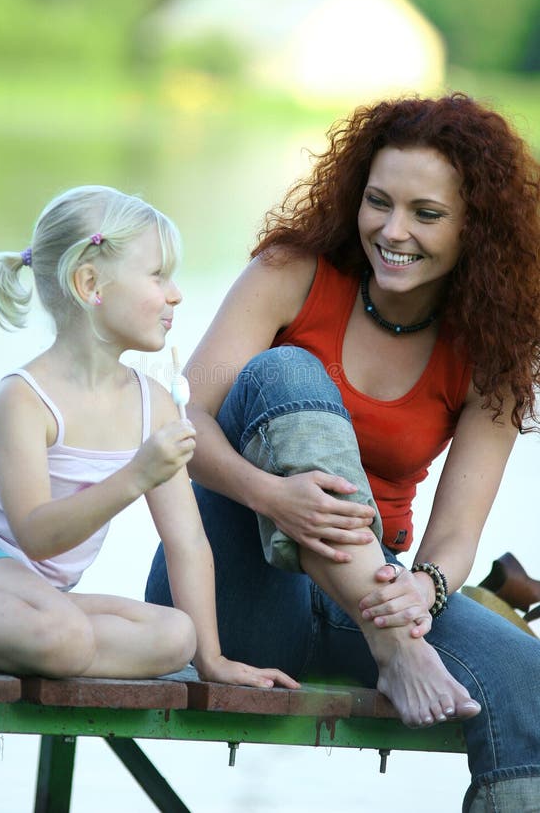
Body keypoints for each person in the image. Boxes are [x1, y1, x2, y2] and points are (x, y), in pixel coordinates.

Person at [146, 94, 540, 810]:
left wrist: (424, 590)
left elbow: (453, 535)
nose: (393, 231)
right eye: (378, 203)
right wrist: (268, 494)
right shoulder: (293, 273)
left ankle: (391, 635)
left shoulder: (493, 346)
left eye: (426, 214)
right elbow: (177, 424)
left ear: (474, 228)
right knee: (285, 372)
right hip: (234, 602)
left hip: (379, 599)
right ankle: (393, 648)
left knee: (528, 678)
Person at [0, 185, 297, 690]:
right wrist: (136, 475)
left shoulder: (153, 405)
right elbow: (37, 537)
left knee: (176, 636)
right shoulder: (24, 400)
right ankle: (32, 639)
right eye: (158, 276)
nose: (176, 294)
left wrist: (211, 659)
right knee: (64, 637)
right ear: (90, 284)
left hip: (36, 594)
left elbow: (189, 542)